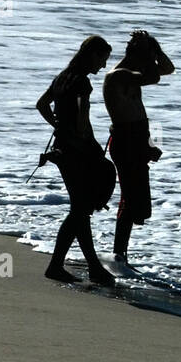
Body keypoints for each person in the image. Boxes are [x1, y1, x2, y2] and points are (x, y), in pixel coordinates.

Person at [36, 35, 116, 285]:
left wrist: (59, 127)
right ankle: (61, 266)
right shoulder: (82, 84)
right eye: (102, 59)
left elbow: (42, 105)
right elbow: (82, 121)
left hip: (62, 149)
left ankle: (89, 266)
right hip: (78, 152)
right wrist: (84, 139)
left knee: (80, 210)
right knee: (80, 210)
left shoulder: (62, 77)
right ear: (92, 55)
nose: (103, 66)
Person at [103, 30, 175, 264]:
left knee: (140, 204)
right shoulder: (118, 75)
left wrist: (155, 48)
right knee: (130, 200)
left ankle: (121, 253)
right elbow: (155, 76)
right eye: (147, 58)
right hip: (125, 140)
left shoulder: (132, 72)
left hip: (138, 137)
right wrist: (149, 51)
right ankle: (118, 254)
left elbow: (167, 69)